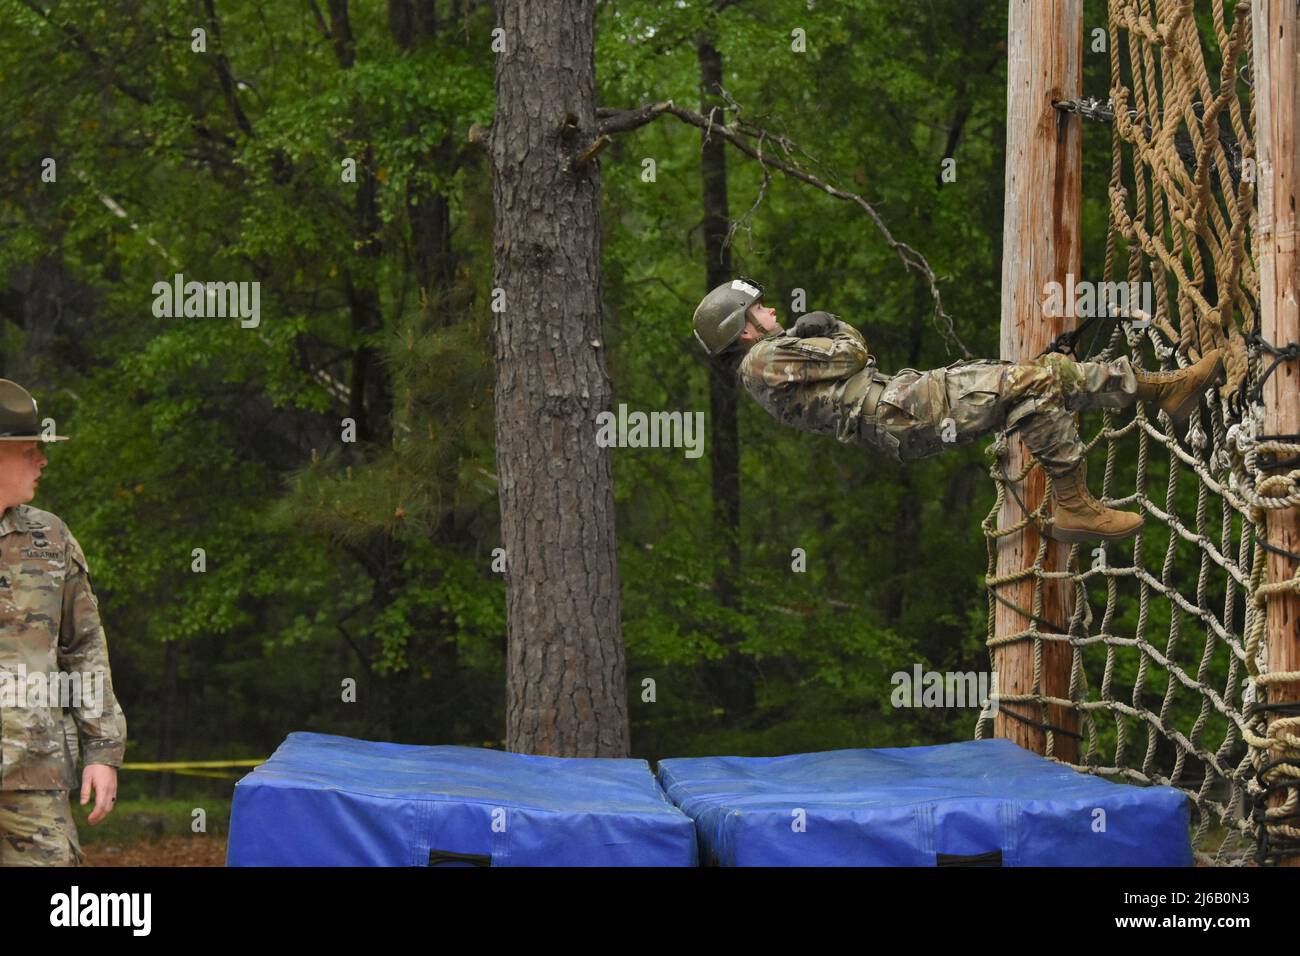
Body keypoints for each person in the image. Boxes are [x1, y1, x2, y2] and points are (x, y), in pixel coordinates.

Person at [691, 278, 1225, 542]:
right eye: (760, 309)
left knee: (1034, 387)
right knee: (1028, 381)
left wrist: (833, 333)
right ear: (743, 329)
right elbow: (854, 354)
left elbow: (852, 359)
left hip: (902, 407)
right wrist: (834, 327)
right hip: (899, 409)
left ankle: (1158, 395)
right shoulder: (763, 359)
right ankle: (1087, 487)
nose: (773, 311)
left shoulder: (765, 358)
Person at [0, 379, 127, 866]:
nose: (43, 461)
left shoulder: (49, 537)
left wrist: (102, 750)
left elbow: (85, 647)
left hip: (34, 776)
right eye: (30, 450)